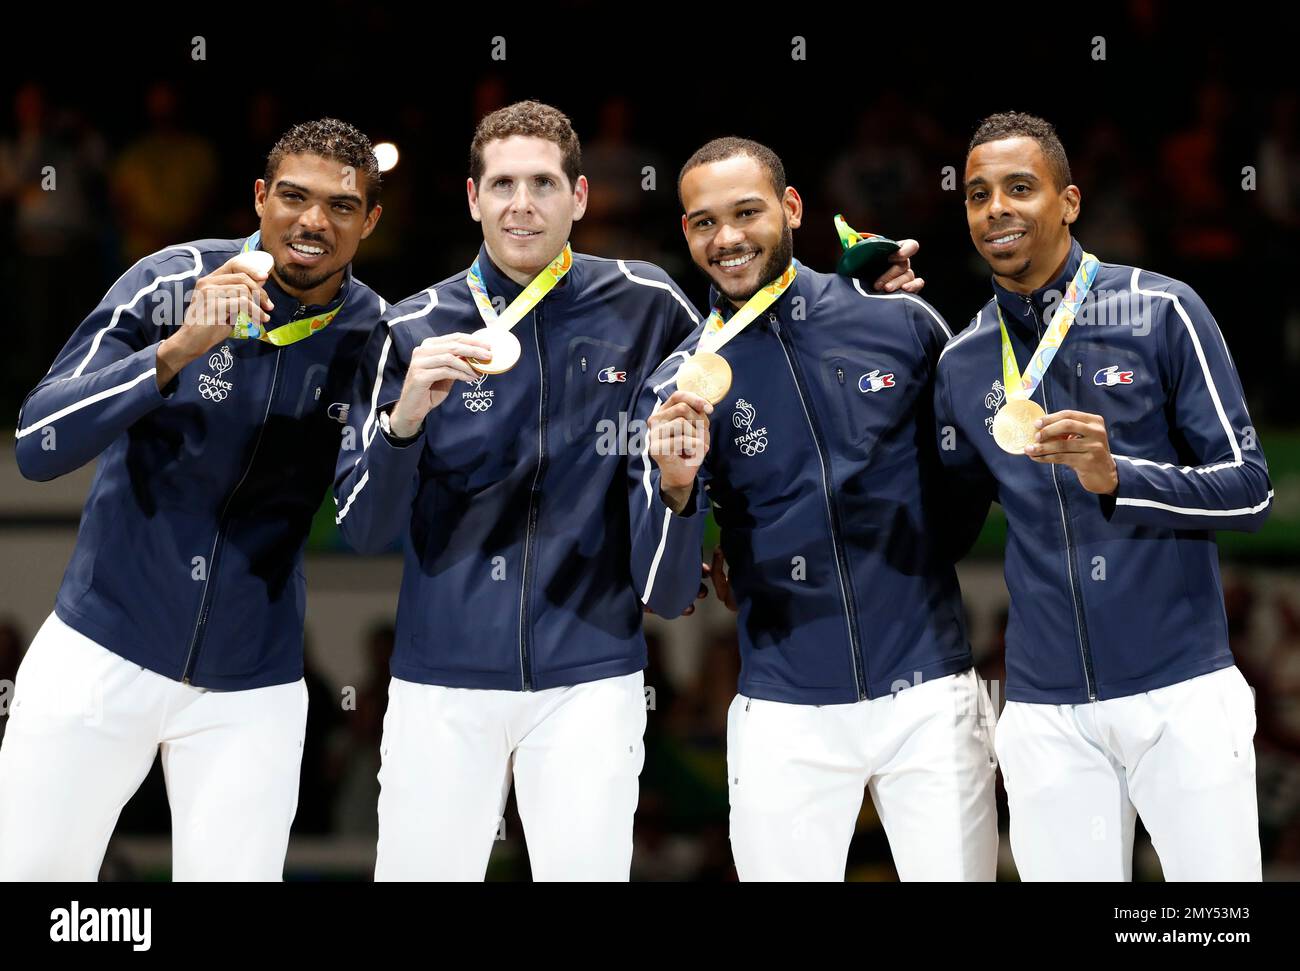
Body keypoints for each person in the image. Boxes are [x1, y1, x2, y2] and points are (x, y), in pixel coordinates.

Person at [333, 104, 921, 881]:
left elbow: (746, 335)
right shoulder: (413, 330)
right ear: (473, 198)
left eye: (543, 183)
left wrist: (863, 304)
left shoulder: (643, 303)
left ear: (578, 196)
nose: (522, 203)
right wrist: (405, 418)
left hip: (593, 677)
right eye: (502, 183)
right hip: (439, 681)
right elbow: (363, 530)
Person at [0, 118, 386, 881]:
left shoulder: (377, 337)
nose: (313, 221)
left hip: (253, 685)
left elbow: (373, 527)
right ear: (258, 199)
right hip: (99, 650)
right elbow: (38, 444)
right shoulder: (169, 280)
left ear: (370, 221)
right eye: (293, 197)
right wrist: (175, 350)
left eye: (341, 206)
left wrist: (403, 430)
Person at [631, 137, 998, 881]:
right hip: (785, 709)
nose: (727, 237)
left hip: (929, 690)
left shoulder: (901, 322)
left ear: (791, 208)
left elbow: (971, 483)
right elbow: (666, 593)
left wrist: (917, 558)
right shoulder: (679, 383)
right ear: (687, 235)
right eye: (704, 223)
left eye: (746, 212)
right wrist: (675, 488)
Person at [935, 111, 1271, 880]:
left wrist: (1123, 476)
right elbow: (941, 526)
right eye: (978, 194)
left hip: (1180, 688)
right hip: (1045, 708)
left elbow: (1250, 489)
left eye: (1020, 188)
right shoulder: (962, 361)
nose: (997, 210)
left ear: (1070, 201)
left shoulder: (1163, 310)